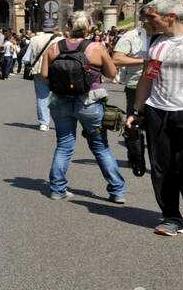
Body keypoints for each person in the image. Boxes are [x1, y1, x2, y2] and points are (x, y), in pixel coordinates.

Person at [39, 11, 124, 203]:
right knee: (101, 147)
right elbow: (111, 73)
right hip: (90, 102)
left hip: (60, 101)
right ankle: (117, 191)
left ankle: (58, 189)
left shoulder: (54, 48)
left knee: (64, 145)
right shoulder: (96, 47)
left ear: (67, 26)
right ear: (89, 29)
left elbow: (44, 75)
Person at [126, 0, 183, 236]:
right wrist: (136, 110)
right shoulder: (155, 42)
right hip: (157, 110)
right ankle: (171, 217)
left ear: (170, 17)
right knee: (161, 167)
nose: (144, 21)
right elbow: (147, 76)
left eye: (150, 17)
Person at [112, 11, 157, 116]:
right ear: (143, 19)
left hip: (159, 88)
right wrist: (145, 61)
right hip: (136, 86)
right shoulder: (133, 36)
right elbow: (117, 60)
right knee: (134, 124)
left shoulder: (165, 35)